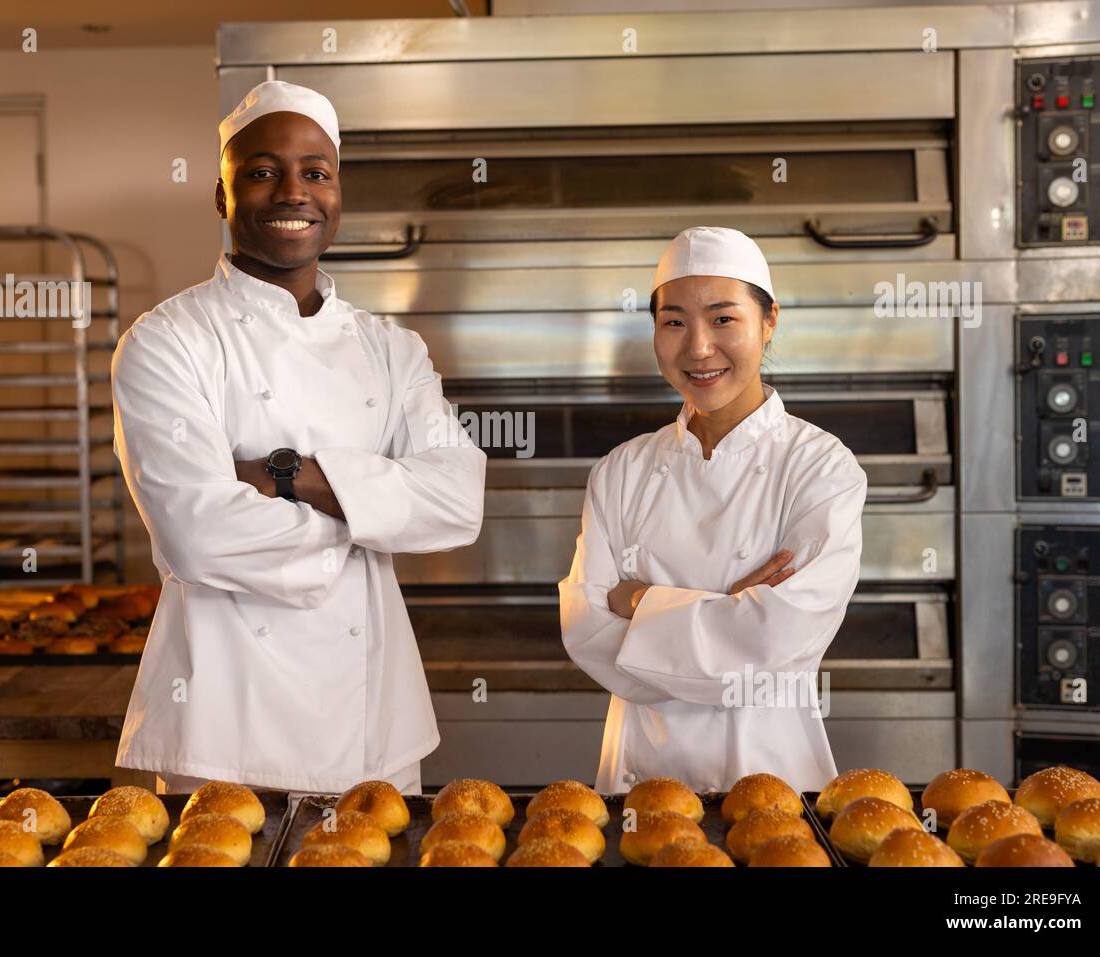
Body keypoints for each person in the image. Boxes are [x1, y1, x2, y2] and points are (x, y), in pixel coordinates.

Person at [110, 80, 486, 796]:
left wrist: (293, 476)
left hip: (373, 733)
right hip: (223, 734)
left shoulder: (392, 348)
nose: (293, 192)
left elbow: (458, 501)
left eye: (315, 171)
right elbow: (199, 533)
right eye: (261, 171)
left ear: (337, 191)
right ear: (222, 197)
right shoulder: (166, 342)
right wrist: (371, 517)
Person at [559, 226, 867, 794]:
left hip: (772, 779)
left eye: (724, 319)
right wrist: (726, 607)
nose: (698, 348)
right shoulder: (621, 471)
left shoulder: (821, 469)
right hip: (638, 784)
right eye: (674, 321)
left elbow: (778, 640)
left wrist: (639, 602)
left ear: (769, 320)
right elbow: (585, 633)